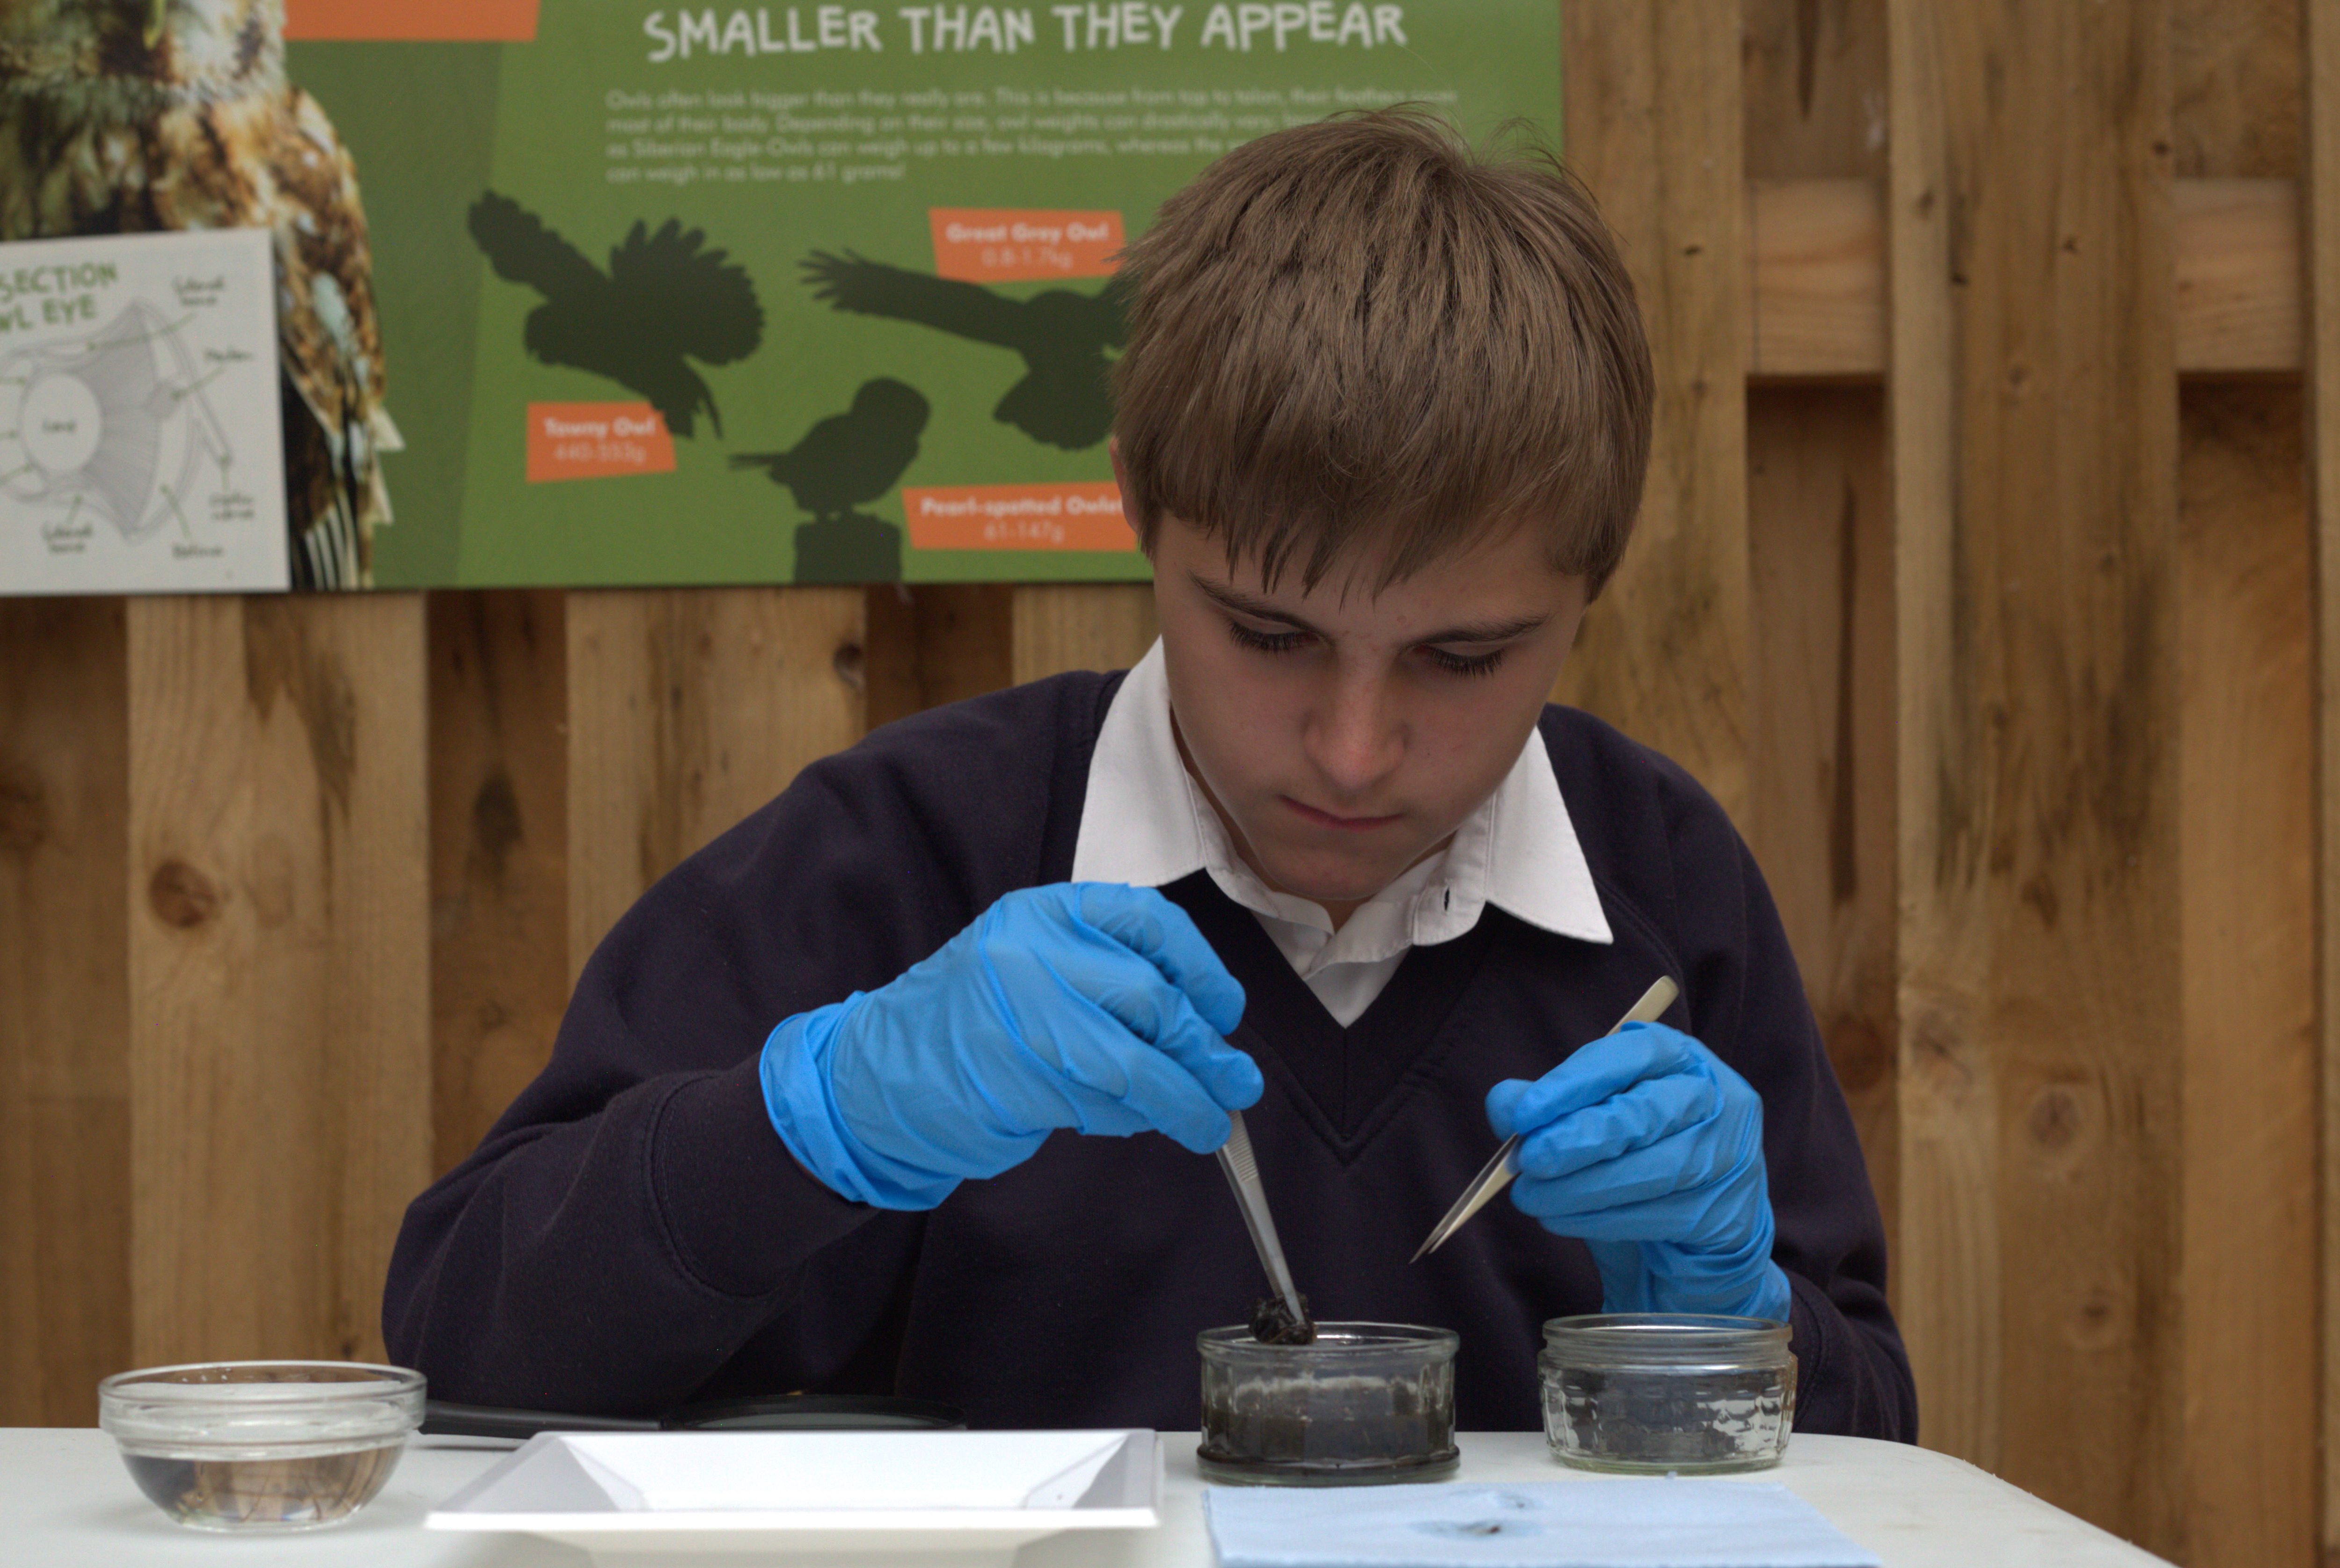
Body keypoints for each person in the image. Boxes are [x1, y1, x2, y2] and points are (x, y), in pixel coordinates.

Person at [384, 110, 1916, 1439]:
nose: (1353, 750)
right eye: (1269, 635)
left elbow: (1878, 1455)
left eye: (1462, 659)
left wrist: (1733, 1323)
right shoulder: (906, 850)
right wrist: (814, 1127)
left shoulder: (1660, 875)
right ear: (1136, 506)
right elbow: (463, 1348)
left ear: (1595, 587)